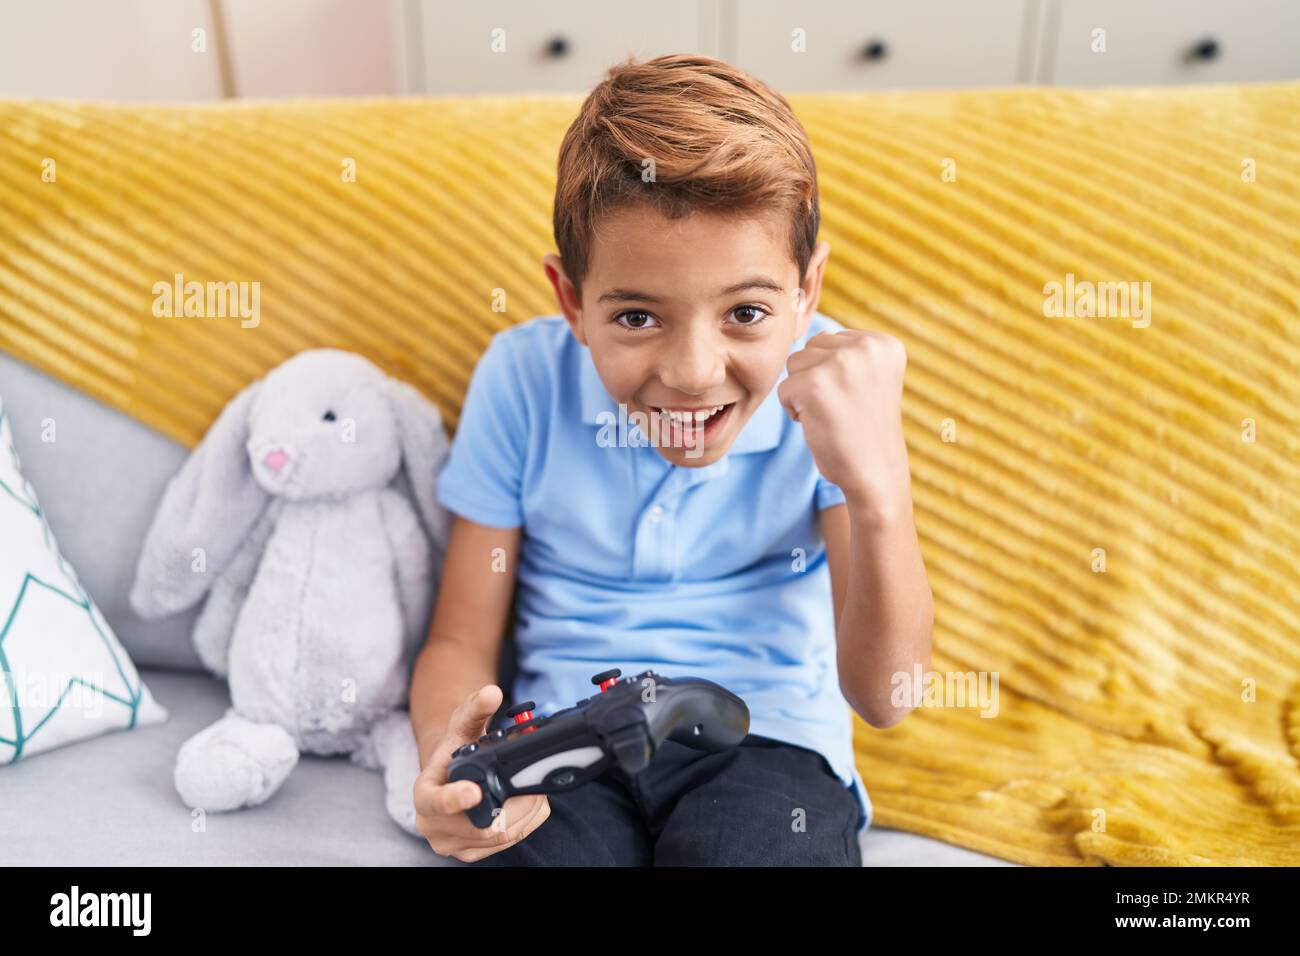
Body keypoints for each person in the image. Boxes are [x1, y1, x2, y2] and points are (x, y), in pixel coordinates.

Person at [410, 53, 933, 866]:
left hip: (770, 741)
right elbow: (458, 641)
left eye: (748, 312)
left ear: (808, 291)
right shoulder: (520, 378)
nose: (693, 373)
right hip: (567, 744)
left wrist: (881, 489)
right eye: (639, 318)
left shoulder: (833, 400)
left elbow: (889, 699)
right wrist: (443, 761)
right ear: (572, 302)